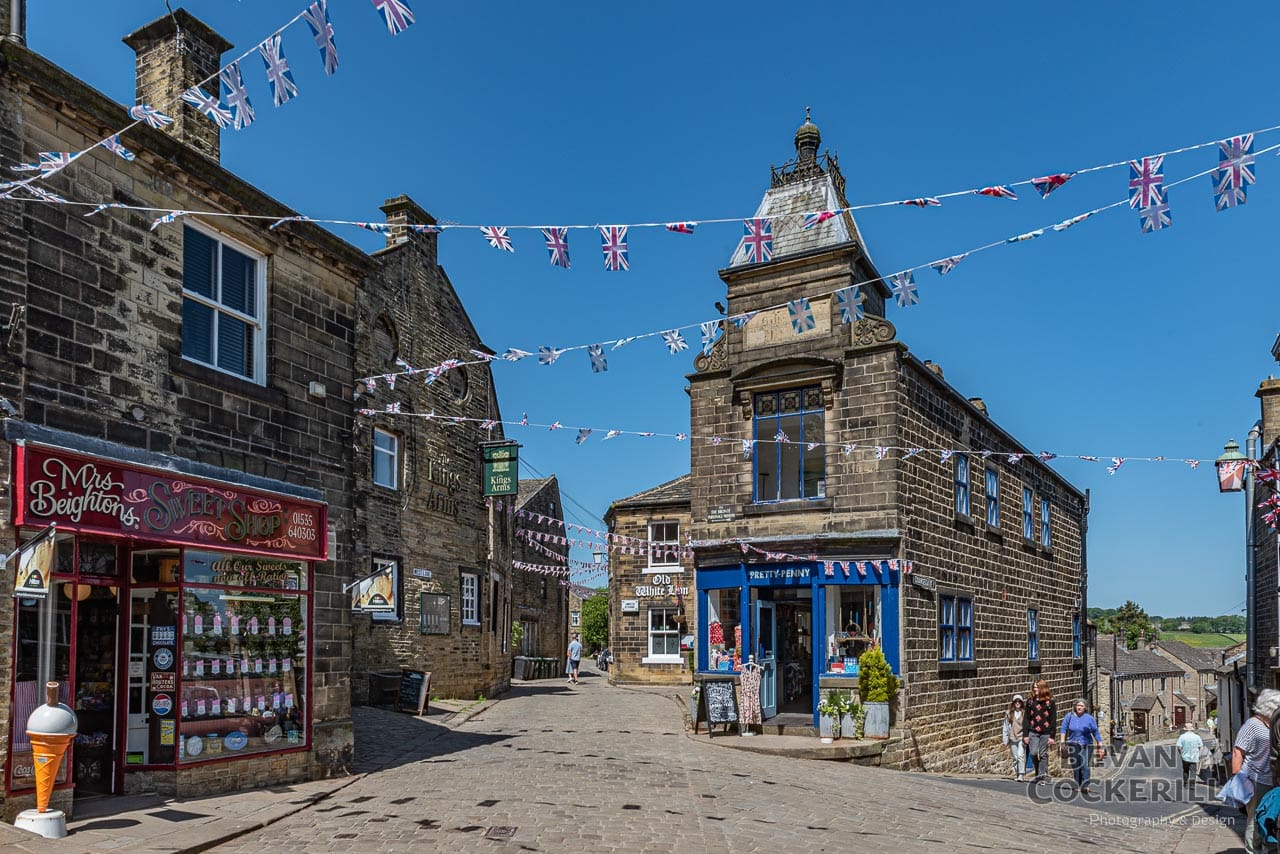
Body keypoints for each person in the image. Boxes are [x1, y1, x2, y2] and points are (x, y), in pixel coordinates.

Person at [1234, 689, 1280, 854]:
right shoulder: (1252, 725)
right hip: (1255, 779)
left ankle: (1267, 849)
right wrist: (1238, 779)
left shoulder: (1274, 724)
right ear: (1270, 707)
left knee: (1271, 816)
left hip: (1273, 779)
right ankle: (1252, 850)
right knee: (1255, 818)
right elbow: (1237, 752)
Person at [1060, 698, 1103, 794]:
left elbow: (1095, 731)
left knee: (1084, 765)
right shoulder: (1069, 716)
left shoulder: (1089, 718)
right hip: (1073, 744)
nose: (1079, 707)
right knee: (1076, 765)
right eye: (1078, 705)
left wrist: (1099, 743)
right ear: (1075, 706)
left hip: (1086, 744)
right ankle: (1078, 784)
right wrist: (1062, 743)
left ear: (1085, 708)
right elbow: (1063, 729)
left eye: (1082, 706)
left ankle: (1085, 785)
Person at [1022, 678, 1056, 784]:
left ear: (1043, 688)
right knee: (1033, 753)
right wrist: (1025, 735)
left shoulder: (1050, 702)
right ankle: (1038, 771)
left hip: (1045, 732)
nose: (1035, 689)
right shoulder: (1030, 702)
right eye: (1034, 687)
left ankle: (1041, 776)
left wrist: (1052, 736)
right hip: (1033, 731)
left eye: (1037, 687)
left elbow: (1053, 720)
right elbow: (1026, 719)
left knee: (1043, 754)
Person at [1001, 694, 1027, 782]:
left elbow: (1027, 726)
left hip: (1021, 737)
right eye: (1016, 701)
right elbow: (1005, 727)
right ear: (1013, 703)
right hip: (1012, 737)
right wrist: (1005, 740)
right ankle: (1018, 773)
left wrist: (1027, 737)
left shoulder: (1024, 713)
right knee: (1015, 758)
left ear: (1021, 703)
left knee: (1020, 756)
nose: (1017, 703)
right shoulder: (1009, 714)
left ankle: (1021, 774)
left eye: (1019, 701)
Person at [1176, 722, 1204, 797]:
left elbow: (1179, 747)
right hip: (1194, 757)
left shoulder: (1182, 737)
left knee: (1185, 770)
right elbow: (1201, 746)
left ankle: (1185, 784)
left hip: (1185, 757)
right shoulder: (1197, 737)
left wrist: (1181, 753)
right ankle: (1192, 785)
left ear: (1185, 729)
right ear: (1192, 729)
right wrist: (1198, 753)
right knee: (1193, 771)